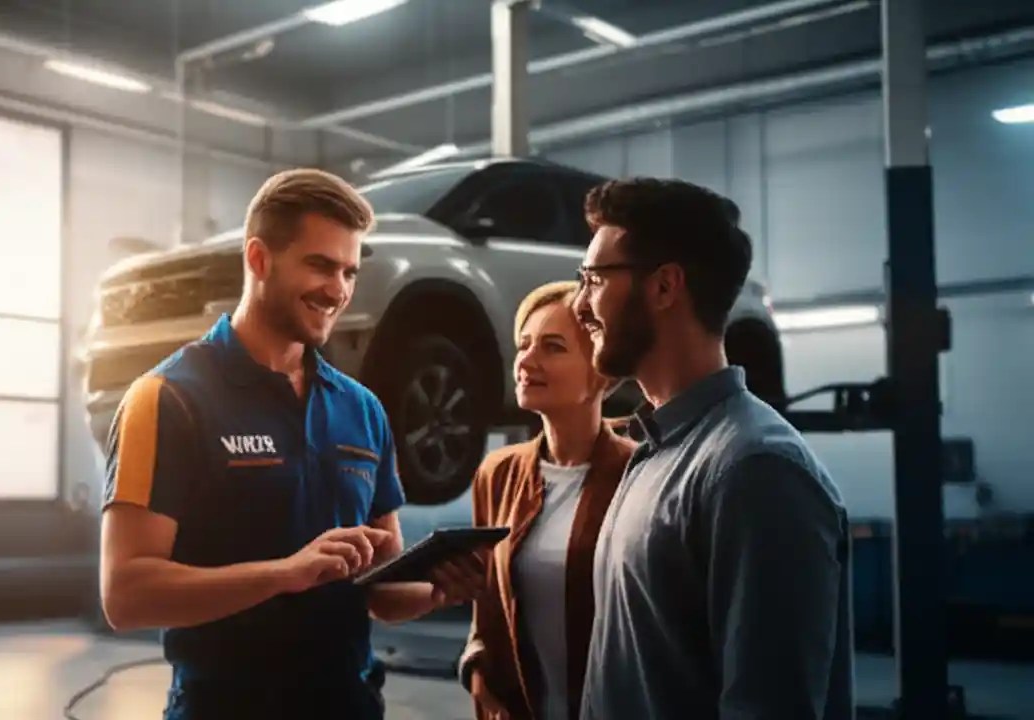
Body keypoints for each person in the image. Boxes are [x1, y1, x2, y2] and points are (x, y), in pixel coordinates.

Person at [99, 169, 485, 720]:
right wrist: (286, 573)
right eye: (321, 266)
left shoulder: (363, 410)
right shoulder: (166, 399)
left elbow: (381, 592)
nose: (339, 290)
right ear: (259, 259)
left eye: (349, 272)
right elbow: (126, 595)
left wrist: (441, 589)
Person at [572, 178, 853, 720]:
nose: (580, 304)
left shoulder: (755, 469)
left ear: (664, 286)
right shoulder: (655, 451)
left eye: (594, 280)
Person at [458, 281, 637, 720]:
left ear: (601, 372)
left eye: (552, 347)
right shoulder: (498, 473)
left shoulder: (640, 473)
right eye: (524, 345)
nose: (527, 361)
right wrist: (476, 664)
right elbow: (488, 602)